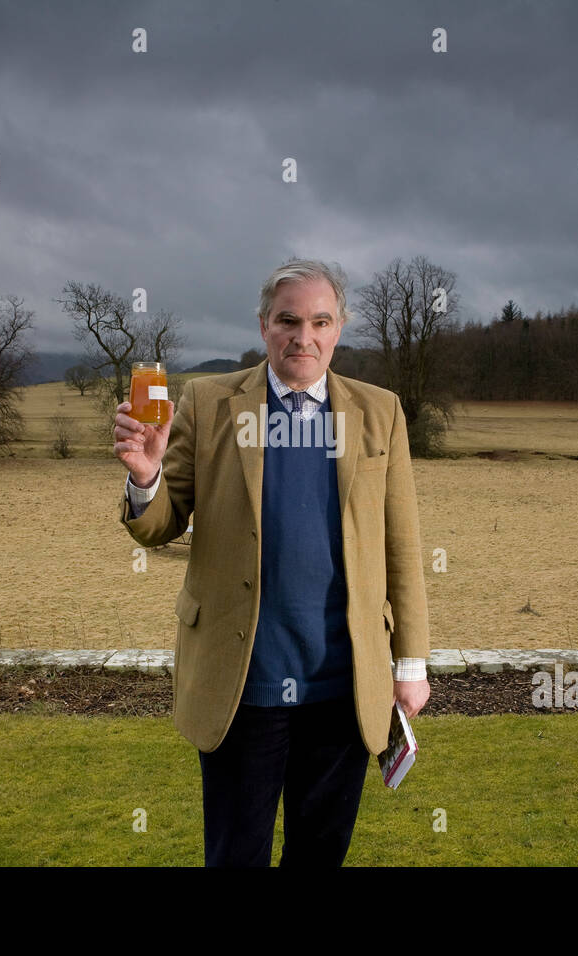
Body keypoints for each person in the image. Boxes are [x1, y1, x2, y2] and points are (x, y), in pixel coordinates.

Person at [112, 258, 430, 866]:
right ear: (263, 325)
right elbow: (160, 524)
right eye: (288, 320)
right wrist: (147, 477)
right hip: (243, 684)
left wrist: (410, 663)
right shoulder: (208, 402)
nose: (302, 336)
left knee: (319, 855)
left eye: (319, 321)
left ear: (339, 329)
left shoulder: (380, 411)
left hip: (342, 686)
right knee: (237, 856)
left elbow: (401, 545)